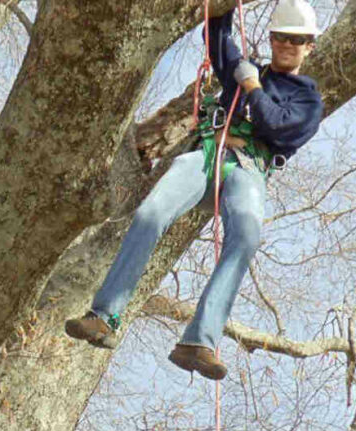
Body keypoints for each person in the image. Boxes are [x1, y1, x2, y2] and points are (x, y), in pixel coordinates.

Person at [64, 0, 323, 380]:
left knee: (246, 237)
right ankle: (103, 317)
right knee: (150, 215)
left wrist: (250, 84)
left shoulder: (307, 99)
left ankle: (199, 341)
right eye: (281, 37)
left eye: (296, 40)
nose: (287, 45)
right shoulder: (244, 70)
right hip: (205, 156)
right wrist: (225, 8)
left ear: (309, 46)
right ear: (272, 38)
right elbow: (216, 33)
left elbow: (275, 124)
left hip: (248, 171)